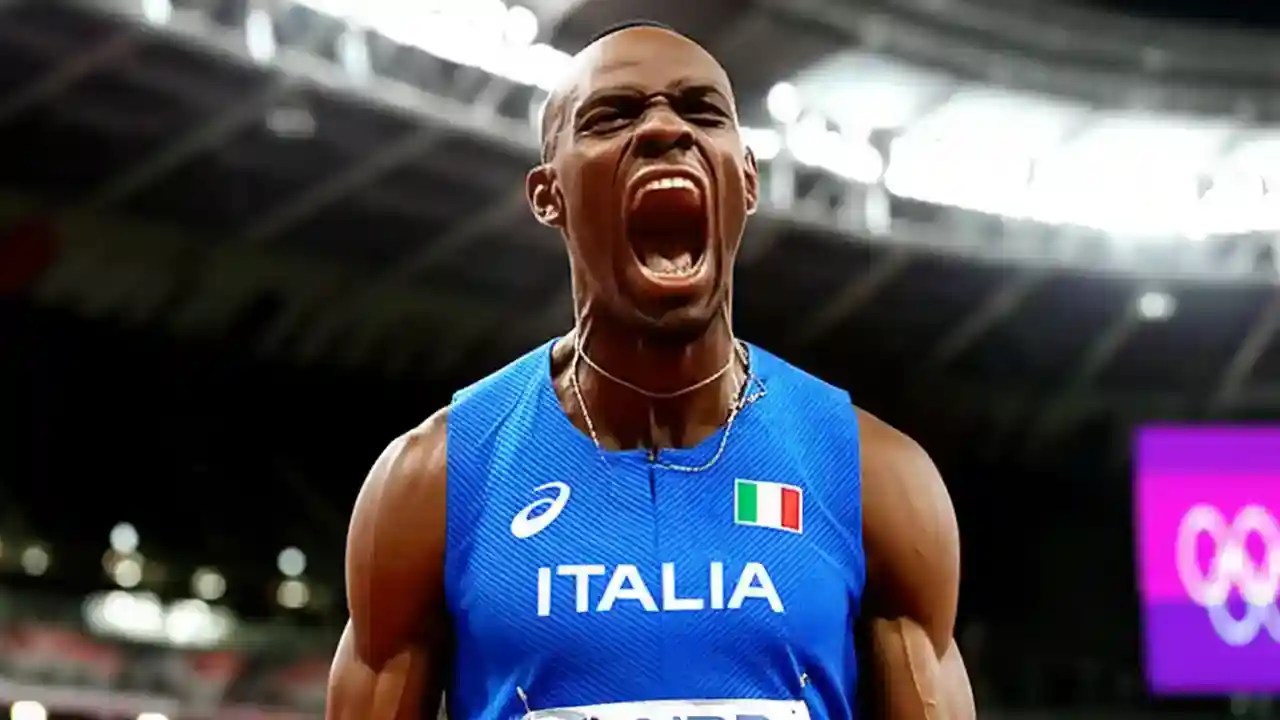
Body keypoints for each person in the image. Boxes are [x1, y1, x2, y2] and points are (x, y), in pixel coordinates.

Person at [325, 20, 975, 720]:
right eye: (613, 115)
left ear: (747, 181)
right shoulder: (435, 479)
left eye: (702, 111)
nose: (666, 129)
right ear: (548, 194)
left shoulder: (874, 477)